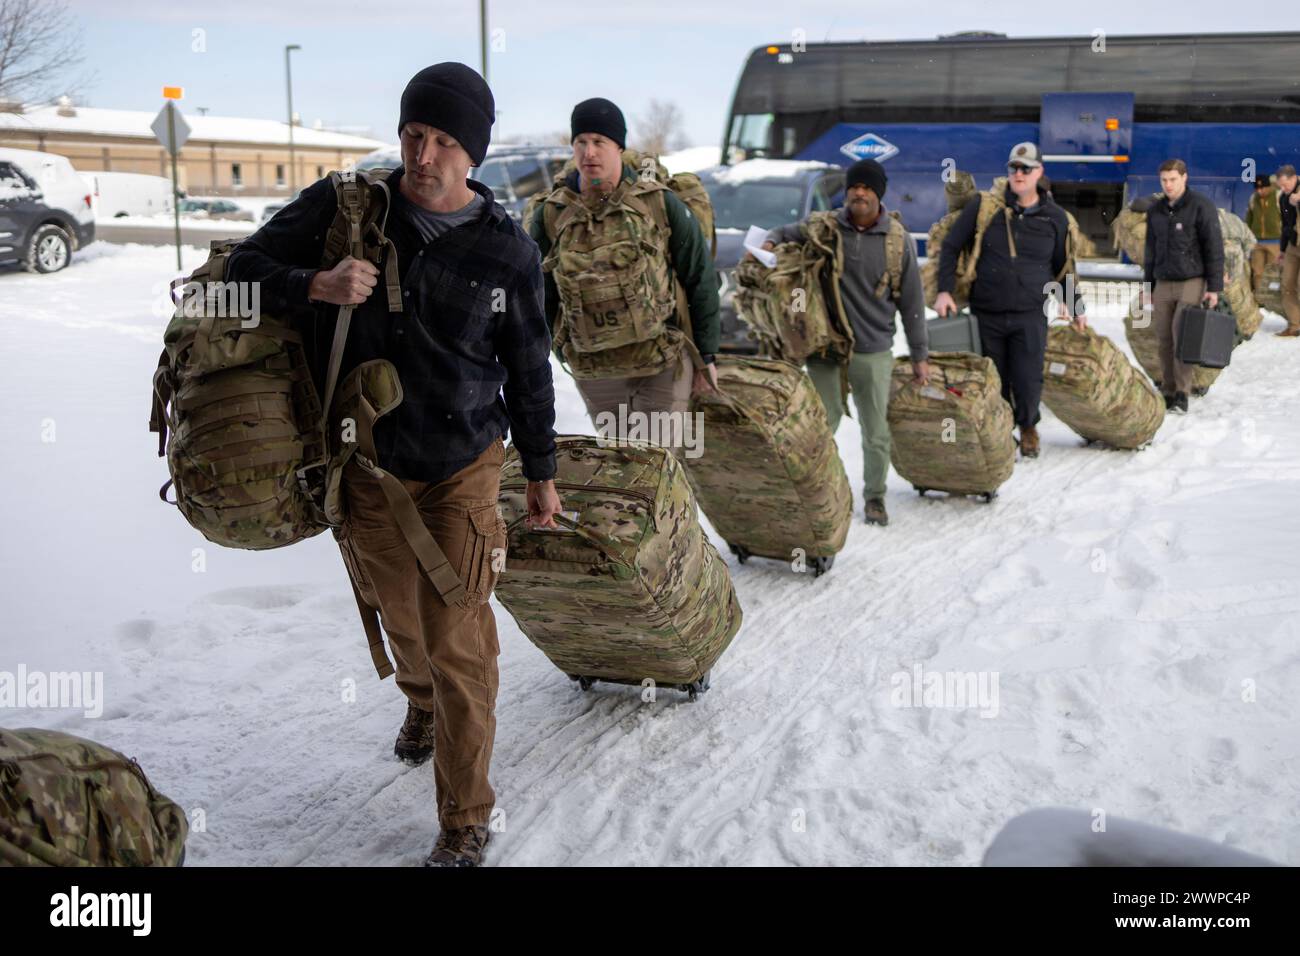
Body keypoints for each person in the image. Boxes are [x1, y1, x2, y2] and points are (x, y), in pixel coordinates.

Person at [225, 63, 562, 867]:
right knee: (404, 624)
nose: (424, 154)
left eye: (445, 141)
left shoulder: (510, 252)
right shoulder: (348, 212)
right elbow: (238, 273)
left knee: (458, 638)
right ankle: (420, 703)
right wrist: (316, 283)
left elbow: (531, 368)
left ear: (473, 155)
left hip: (464, 468)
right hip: (370, 465)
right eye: (415, 134)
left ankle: (463, 819)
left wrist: (542, 472)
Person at [528, 98, 720, 452]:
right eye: (581, 141)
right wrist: (559, 348)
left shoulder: (658, 204)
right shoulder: (552, 213)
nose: (589, 152)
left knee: (657, 465)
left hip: (661, 362)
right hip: (595, 370)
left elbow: (700, 278)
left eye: (599, 141)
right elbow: (537, 291)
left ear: (619, 146)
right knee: (621, 465)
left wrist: (706, 355)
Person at [760, 158, 928, 526]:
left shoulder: (898, 241)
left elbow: (913, 303)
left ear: (878, 194)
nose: (859, 193)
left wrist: (920, 355)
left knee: (875, 431)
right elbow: (785, 231)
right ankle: (818, 491)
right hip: (826, 350)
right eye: (854, 187)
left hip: (872, 350)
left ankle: (875, 497)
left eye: (867, 187)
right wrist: (769, 241)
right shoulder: (825, 227)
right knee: (819, 426)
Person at [935, 142, 1085, 458]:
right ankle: (1003, 431)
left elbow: (1063, 266)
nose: (1019, 174)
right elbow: (950, 246)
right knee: (995, 379)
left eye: (1025, 169)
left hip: (1030, 312)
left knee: (1028, 378)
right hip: (986, 311)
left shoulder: (1055, 218)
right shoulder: (984, 207)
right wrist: (945, 290)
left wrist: (1075, 306)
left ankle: (1028, 426)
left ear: (1038, 173)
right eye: (1014, 168)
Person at [1141, 159, 1224, 412]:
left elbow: (1214, 247)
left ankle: (1181, 392)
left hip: (1192, 280)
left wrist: (1214, 286)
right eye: (1164, 180)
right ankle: (1166, 389)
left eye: (1173, 179)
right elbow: (1150, 251)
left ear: (1184, 178)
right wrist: (1148, 288)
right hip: (1164, 282)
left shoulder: (1200, 206)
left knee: (1182, 337)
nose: (1168, 185)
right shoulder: (1155, 210)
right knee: (1163, 339)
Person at [1245, 175, 1281, 296]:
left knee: (1273, 272)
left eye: (1263, 188)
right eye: (1257, 189)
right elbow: (1249, 219)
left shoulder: (1278, 196)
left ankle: (1272, 298)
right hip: (1257, 242)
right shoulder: (1253, 198)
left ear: (1269, 187)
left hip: (1275, 242)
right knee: (1257, 271)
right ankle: (1260, 298)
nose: (1260, 191)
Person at [1276, 164, 1300, 337]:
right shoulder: (1283, 197)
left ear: (1294, 178)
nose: (1283, 189)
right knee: (1287, 284)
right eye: (1280, 186)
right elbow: (1285, 224)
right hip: (1293, 244)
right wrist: (1283, 249)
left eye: (1285, 185)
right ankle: (1295, 324)